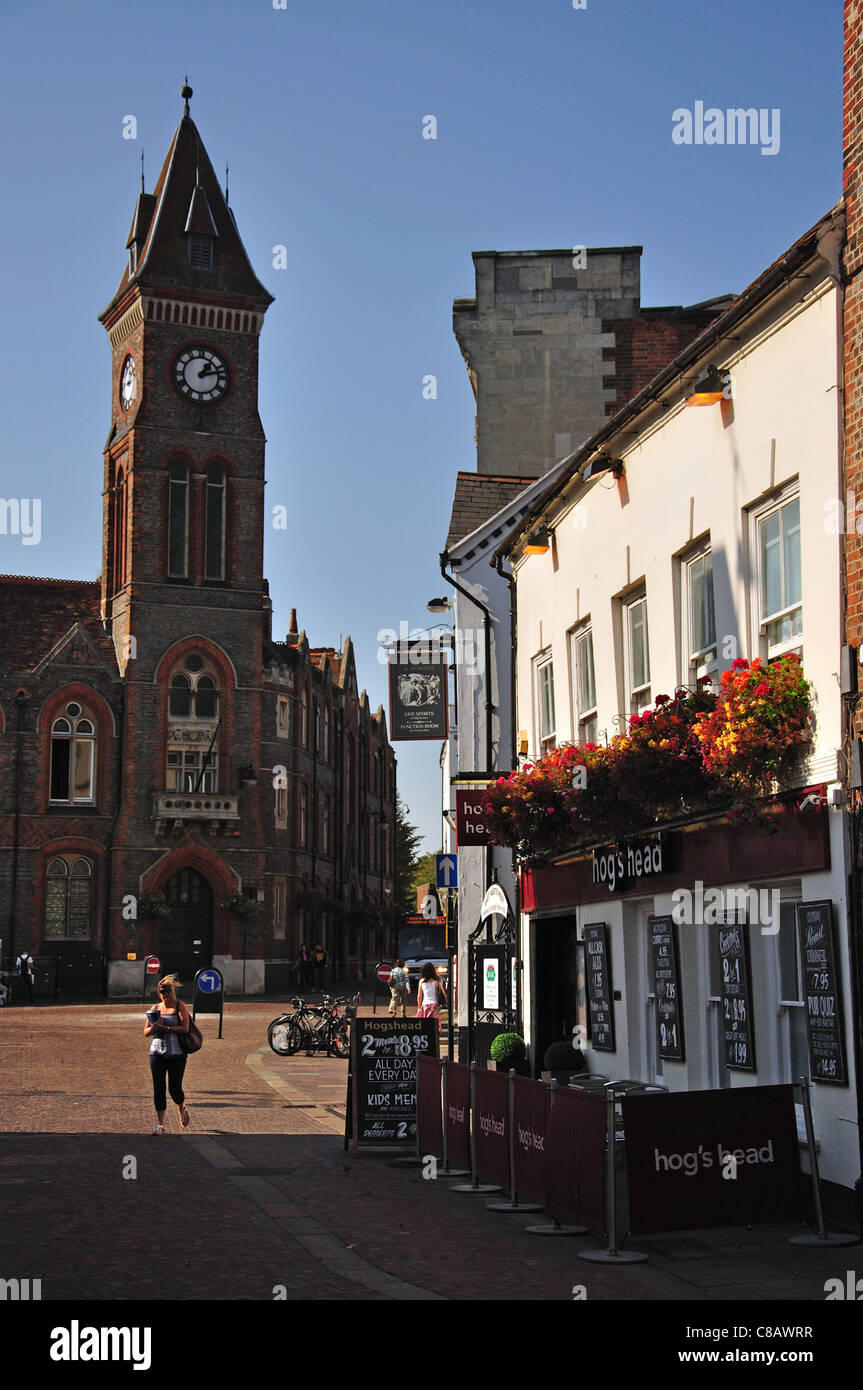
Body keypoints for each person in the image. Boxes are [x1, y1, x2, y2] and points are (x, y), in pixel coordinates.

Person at [144, 974, 192, 1135]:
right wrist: (154, 1027)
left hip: (177, 1053)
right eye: (162, 992)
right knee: (159, 1088)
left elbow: (185, 1028)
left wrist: (167, 1028)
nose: (165, 996)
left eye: (167, 992)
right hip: (157, 1053)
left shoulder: (179, 1006)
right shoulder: (155, 1008)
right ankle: (160, 1124)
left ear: (172, 992)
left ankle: (181, 1107)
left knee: (174, 1088)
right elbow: (146, 1032)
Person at [416, 962, 446, 1032]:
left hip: (425, 1005)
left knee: (425, 1024)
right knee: (434, 1024)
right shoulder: (436, 981)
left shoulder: (422, 981)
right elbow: (443, 992)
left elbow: (419, 996)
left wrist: (419, 1007)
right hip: (435, 1005)